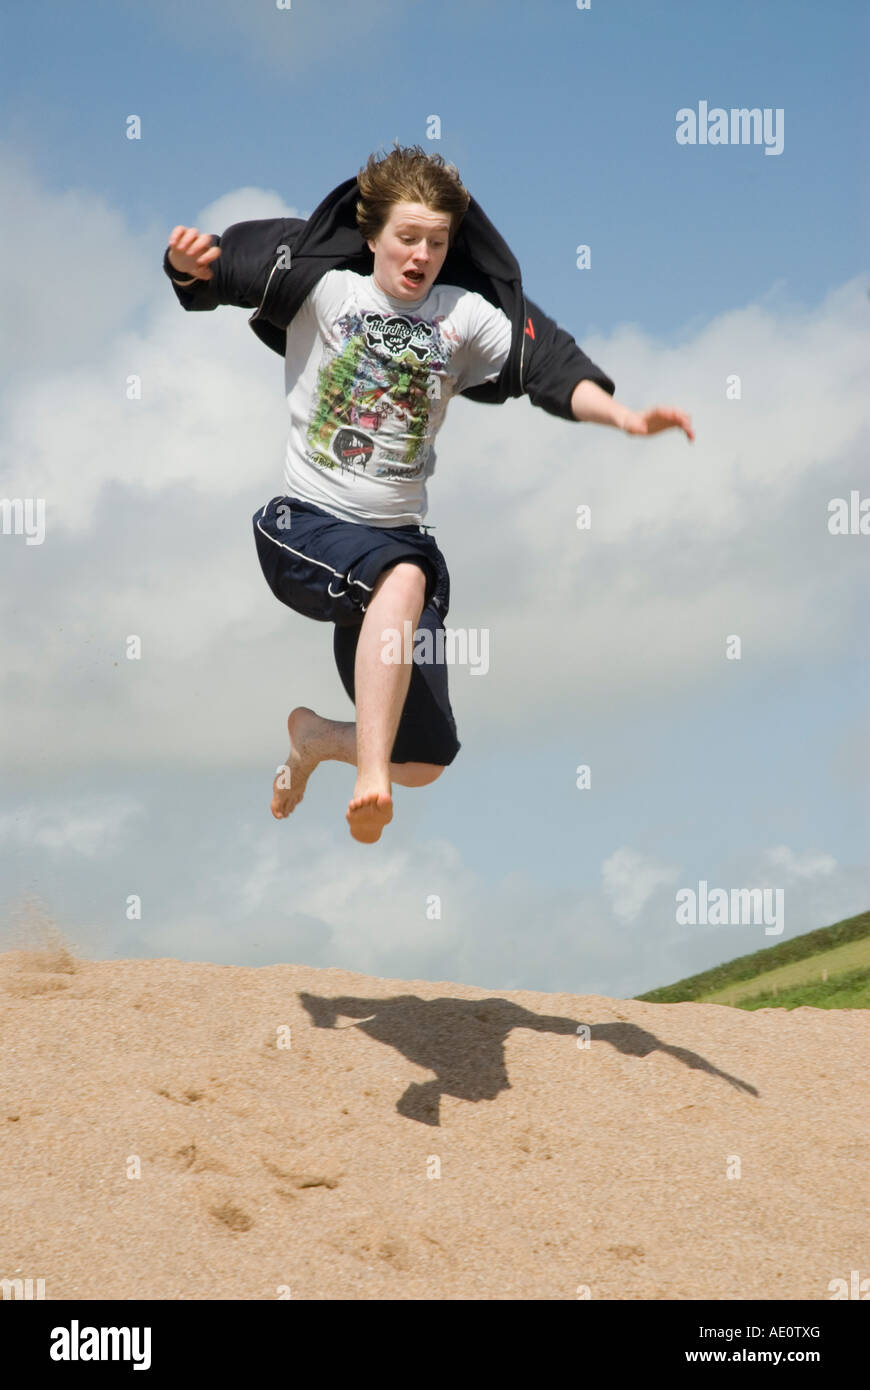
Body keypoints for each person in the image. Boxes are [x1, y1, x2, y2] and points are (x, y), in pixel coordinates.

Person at [164, 143, 693, 844]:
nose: (420, 255)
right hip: (306, 527)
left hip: (396, 547)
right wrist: (189, 267)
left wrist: (623, 416)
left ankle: (321, 740)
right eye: (407, 238)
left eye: (436, 243)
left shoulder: (462, 318)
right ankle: (368, 775)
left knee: (425, 762)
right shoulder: (325, 288)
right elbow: (221, 270)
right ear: (373, 235)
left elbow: (551, 365)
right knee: (404, 579)